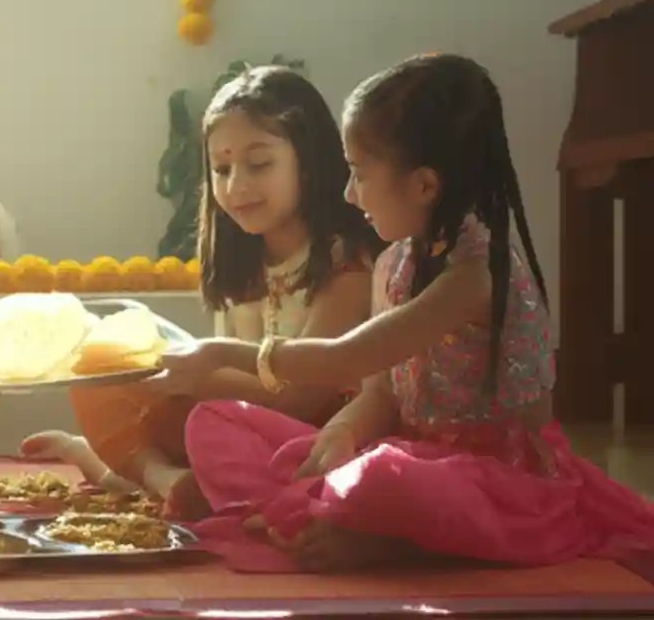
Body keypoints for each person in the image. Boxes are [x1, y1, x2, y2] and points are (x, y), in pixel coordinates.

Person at [167, 53, 654, 572]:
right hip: (405, 453)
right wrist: (345, 432)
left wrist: (220, 354)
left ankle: (378, 540)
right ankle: (322, 518)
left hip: (499, 488)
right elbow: (379, 390)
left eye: (358, 174)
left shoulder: (474, 276)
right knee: (214, 423)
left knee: (383, 478)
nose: (350, 195)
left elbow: (345, 359)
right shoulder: (394, 263)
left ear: (423, 186)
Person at [22, 67, 382, 517]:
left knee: (182, 411)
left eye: (259, 164)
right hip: (229, 427)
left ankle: (117, 469)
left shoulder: (346, 261)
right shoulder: (243, 264)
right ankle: (164, 480)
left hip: (311, 441)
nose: (236, 186)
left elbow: (301, 398)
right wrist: (156, 373)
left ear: (308, 163)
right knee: (93, 364)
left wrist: (188, 372)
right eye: (222, 168)